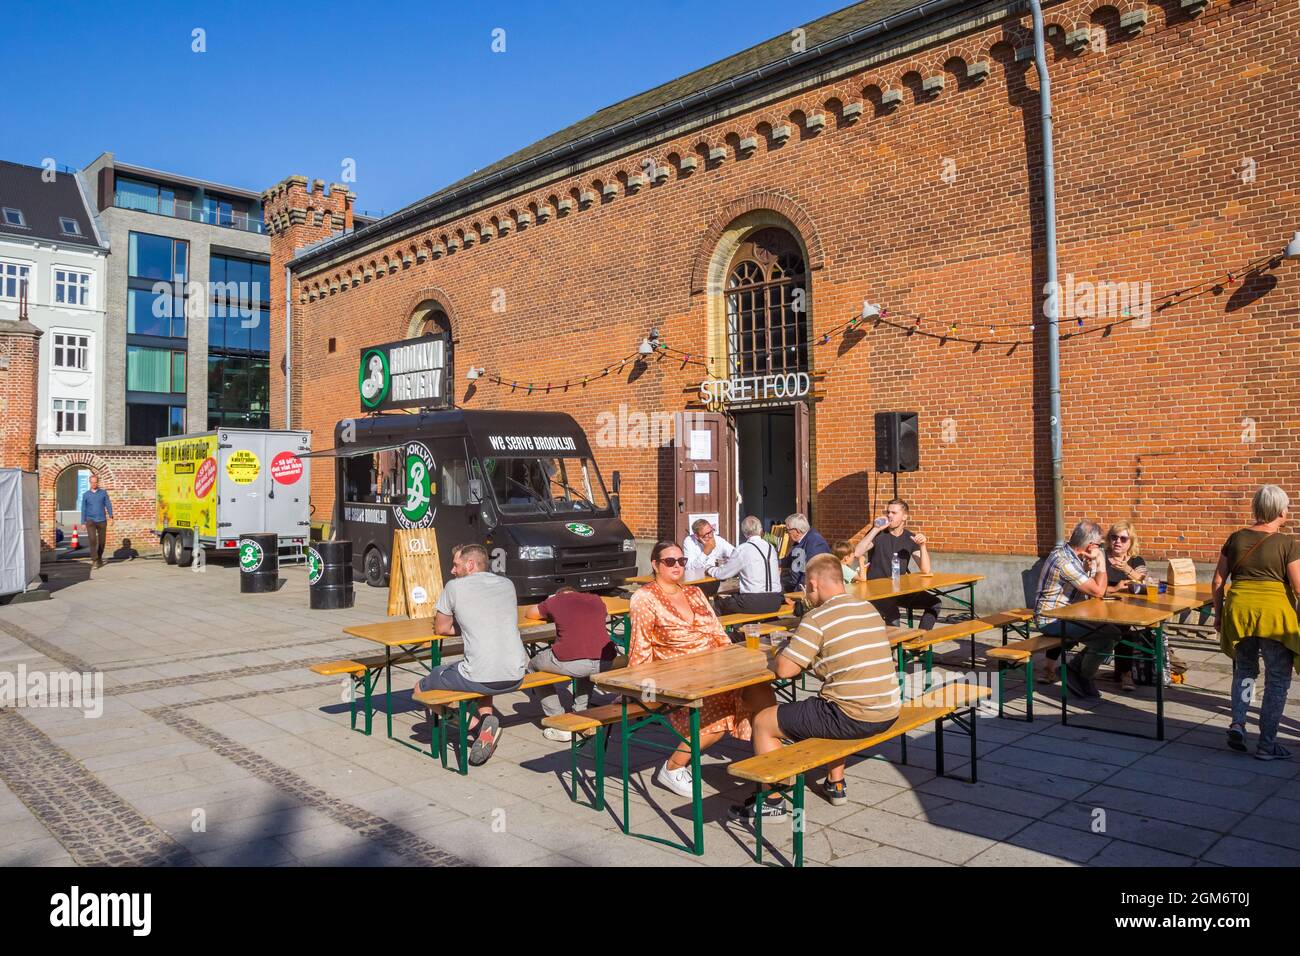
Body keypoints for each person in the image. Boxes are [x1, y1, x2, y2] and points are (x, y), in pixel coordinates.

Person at [731, 553, 900, 822]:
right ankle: (836, 783)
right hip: (887, 709)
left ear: (812, 583)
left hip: (853, 715)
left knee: (764, 721)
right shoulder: (868, 607)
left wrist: (783, 650)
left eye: (805, 589)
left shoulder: (817, 617)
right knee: (827, 701)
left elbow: (786, 670)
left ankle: (773, 801)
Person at [629, 541, 776, 797]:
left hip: (715, 666)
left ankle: (771, 771)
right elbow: (639, 646)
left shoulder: (694, 593)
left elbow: (718, 632)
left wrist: (734, 661)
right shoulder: (644, 598)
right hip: (677, 674)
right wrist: (640, 690)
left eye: (682, 561)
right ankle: (673, 768)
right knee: (718, 713)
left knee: (761, 692)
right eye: (670, 561)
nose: (677, 566)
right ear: (655, 564)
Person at [417, 544, 528, 766]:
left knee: (420, 690)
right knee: (480, 670)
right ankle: (487, 722)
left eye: (456, 565)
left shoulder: (454, 587)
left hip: (480, 674)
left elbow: (441, 628)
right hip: (516, 673)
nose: (452, 570)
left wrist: (469, 624)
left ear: (470, 564)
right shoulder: (507, 584)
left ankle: (476, 727)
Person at [1215, 485, 1300, 760]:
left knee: (1245, 670)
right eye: (1287, 506)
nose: (1289, 511)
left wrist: (1218, 615)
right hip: (1274, 618)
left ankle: (1238, 722)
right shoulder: (1287, 544)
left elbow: (1217, 581)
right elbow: (1299, 588)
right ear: (1279, 510)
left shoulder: (1236, 538)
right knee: (1277, 679)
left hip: (1239, 613)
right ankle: (1266, 744)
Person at [1034, 520, 1117, 698]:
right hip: (1050, 620)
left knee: (1113, 632)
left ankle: (1075, 669)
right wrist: (1101, 559)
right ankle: (1082, 675)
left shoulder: (1072, 555)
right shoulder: (1063, 561)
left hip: (1070, 615)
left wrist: (1093, 563)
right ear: (1090, 545)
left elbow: (1095, 589)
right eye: (1099, 545)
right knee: (1107, 636)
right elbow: (1098, 591)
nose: (1101, 548)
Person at [524, 586, 616, 741]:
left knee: (532, 666)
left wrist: (550, 602)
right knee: (586, 663)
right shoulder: (595, 599)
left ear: (558, 594)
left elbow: (530, 613)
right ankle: (581, 713)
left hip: (574, 662)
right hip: (605, 660)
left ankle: (558, 721)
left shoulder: (556, 600)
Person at [852, 498, 940, 630]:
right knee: (894, 616)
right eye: (888, 512)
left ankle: (920, 640)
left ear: (904, 516)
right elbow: (858, 553)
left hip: (899, 590)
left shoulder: (910, 538)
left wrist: (922, 545)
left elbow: (926, 569)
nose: (889, 515)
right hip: (877, 591)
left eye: (894, 513)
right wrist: (876, 529)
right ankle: (894, 649)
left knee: (935, 603)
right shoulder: (879, 534)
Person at [1104, 521, 1148, 691]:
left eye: (1123, 538)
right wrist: (1113, 589)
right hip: (1103, 606)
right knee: (1121, 631)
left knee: (1123, 630)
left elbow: (1144, 582)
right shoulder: (1101, 558)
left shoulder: (1136, 560)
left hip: (1129, 608)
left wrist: (1127, 569)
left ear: (1131, 542)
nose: (1118, 542)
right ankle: (1125, 674)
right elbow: (1092, 583)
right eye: (1114, 537)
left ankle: (1125, 673)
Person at [708, 515, 784, 615]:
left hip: (753, 601)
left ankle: (726, 630)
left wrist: (709, 568)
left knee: (719, 603)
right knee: (737, 598)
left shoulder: (743, 549)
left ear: (744, 533)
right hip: (776, 601)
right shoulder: (771, 547)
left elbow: (723, 574)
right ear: (760, 530)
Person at [780, 512, 830, 591]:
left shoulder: (815, 543)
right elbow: (788, 560)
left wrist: (796, 595)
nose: (787, 533)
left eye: (787, 530)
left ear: (796, 531)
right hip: (794, 585)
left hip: (809, 591)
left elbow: (810, 573)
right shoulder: (802, 540)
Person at [79, 474, 113, 569]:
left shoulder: (103, 493)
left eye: (95, 482)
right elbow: (83, 508)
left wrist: (111, 516)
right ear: (89, 483)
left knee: (102, 542)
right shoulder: (86, 495)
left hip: (102, 520)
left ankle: (99, 558)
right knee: (92, 540)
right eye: (92, 482)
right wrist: (82, 522)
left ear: (97, 482)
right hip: (90, 521)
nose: (94, 484)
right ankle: (94, 560)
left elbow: (108, 504)